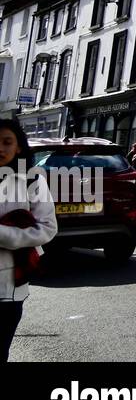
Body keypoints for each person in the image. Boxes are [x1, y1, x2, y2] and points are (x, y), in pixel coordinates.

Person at [0, 119, 58, 362]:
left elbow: (47, 229)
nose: (0, 148)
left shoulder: (32, 181)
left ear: (19, 147)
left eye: (7, 142)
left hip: (7, 287)